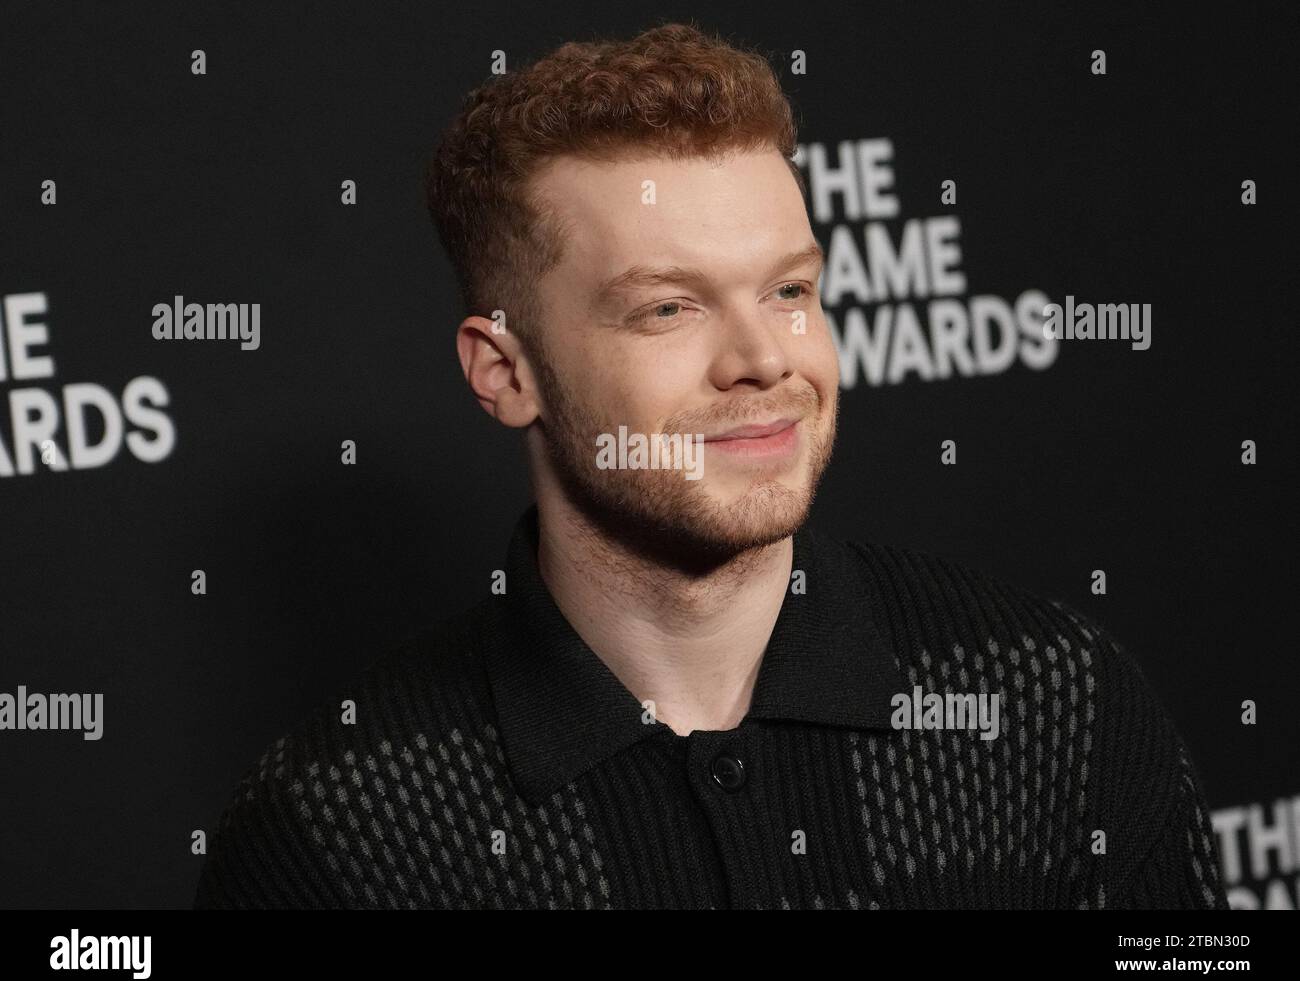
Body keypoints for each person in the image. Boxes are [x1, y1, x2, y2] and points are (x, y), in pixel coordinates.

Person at [193, 21, 1228, 909]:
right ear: (506, 372)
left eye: (789, 291)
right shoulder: (338, 829)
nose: (764, 361)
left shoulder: (1054, 701)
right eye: (668, 309)